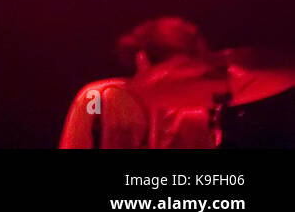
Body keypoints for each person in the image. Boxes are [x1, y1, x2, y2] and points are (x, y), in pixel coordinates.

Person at [59, 16, 222, 149]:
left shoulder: (196, 111)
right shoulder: (99, 98)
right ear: (142, 59)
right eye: (173, 72)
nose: (178, 79)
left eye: (185, 73)